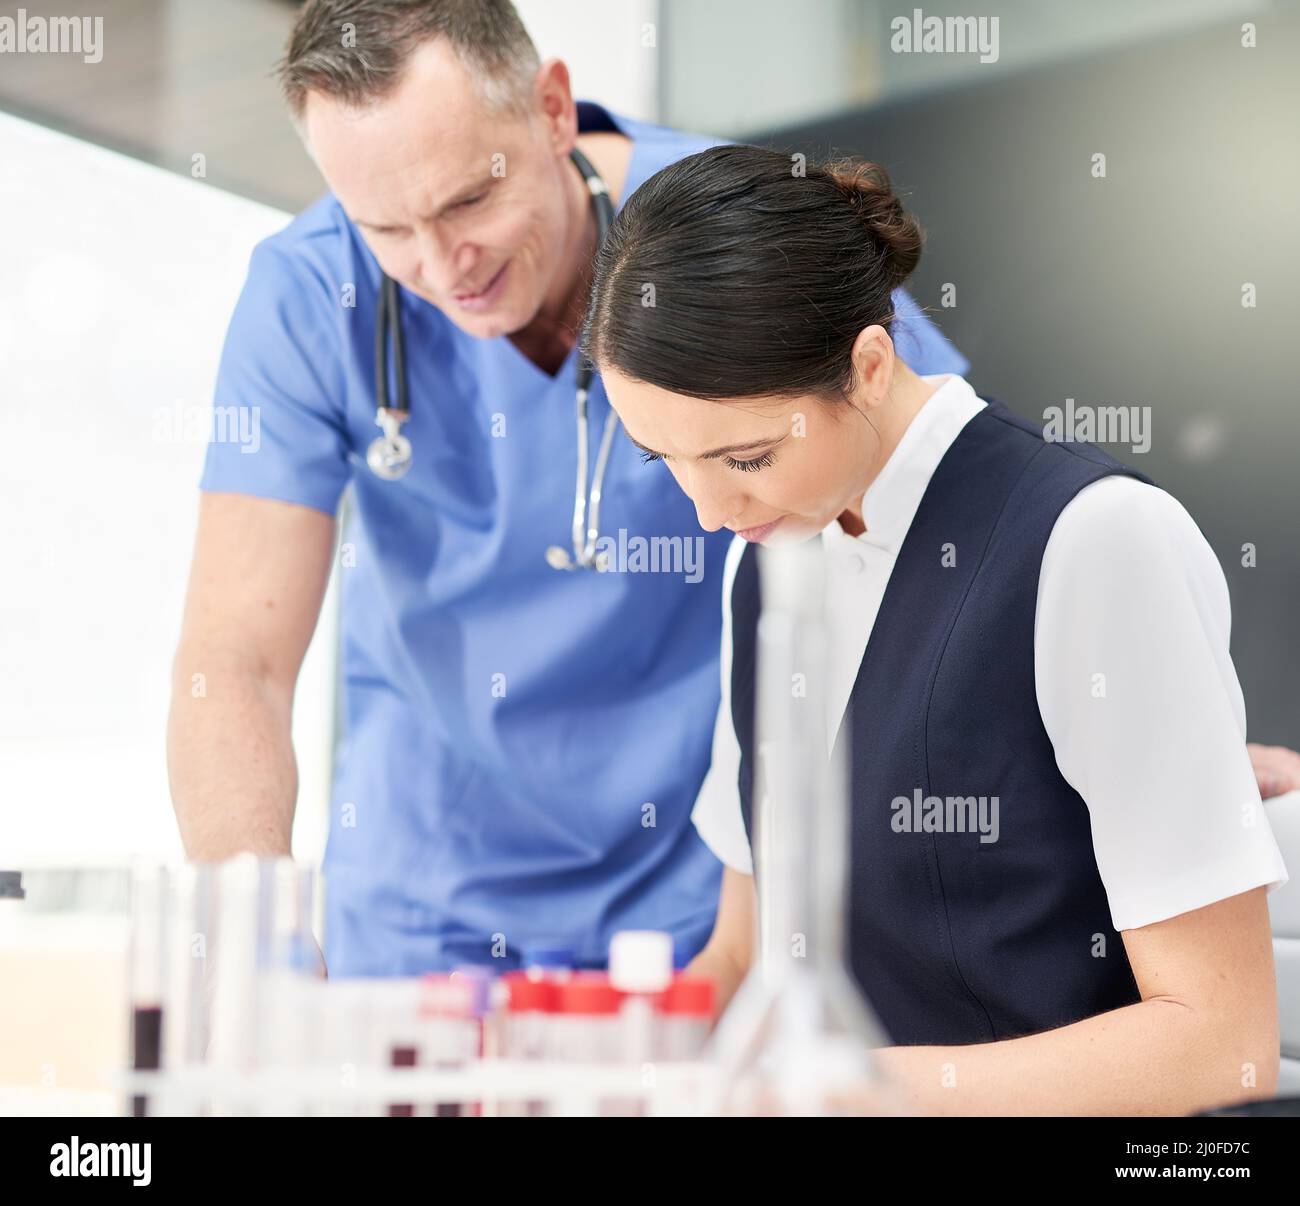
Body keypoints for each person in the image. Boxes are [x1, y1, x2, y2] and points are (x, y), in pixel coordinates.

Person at [165, 0, 970, 975]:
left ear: (552, 108)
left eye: (468, 201)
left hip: (706, 905)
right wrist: (259, 958)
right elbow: (236, 663)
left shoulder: (728, 234)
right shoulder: (304, 292)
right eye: (384, 226)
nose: (438, 266)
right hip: (426, 907)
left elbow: (942, 516)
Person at [582, 143, 1292, 1114]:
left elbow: (1222, 1044)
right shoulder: (766, 559)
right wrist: (579, 1057)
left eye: (743, 457)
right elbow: (747, 954)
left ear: (868, 367)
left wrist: (854, 1090)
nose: (708, 512)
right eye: (665, 458)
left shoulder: (1091, 541)